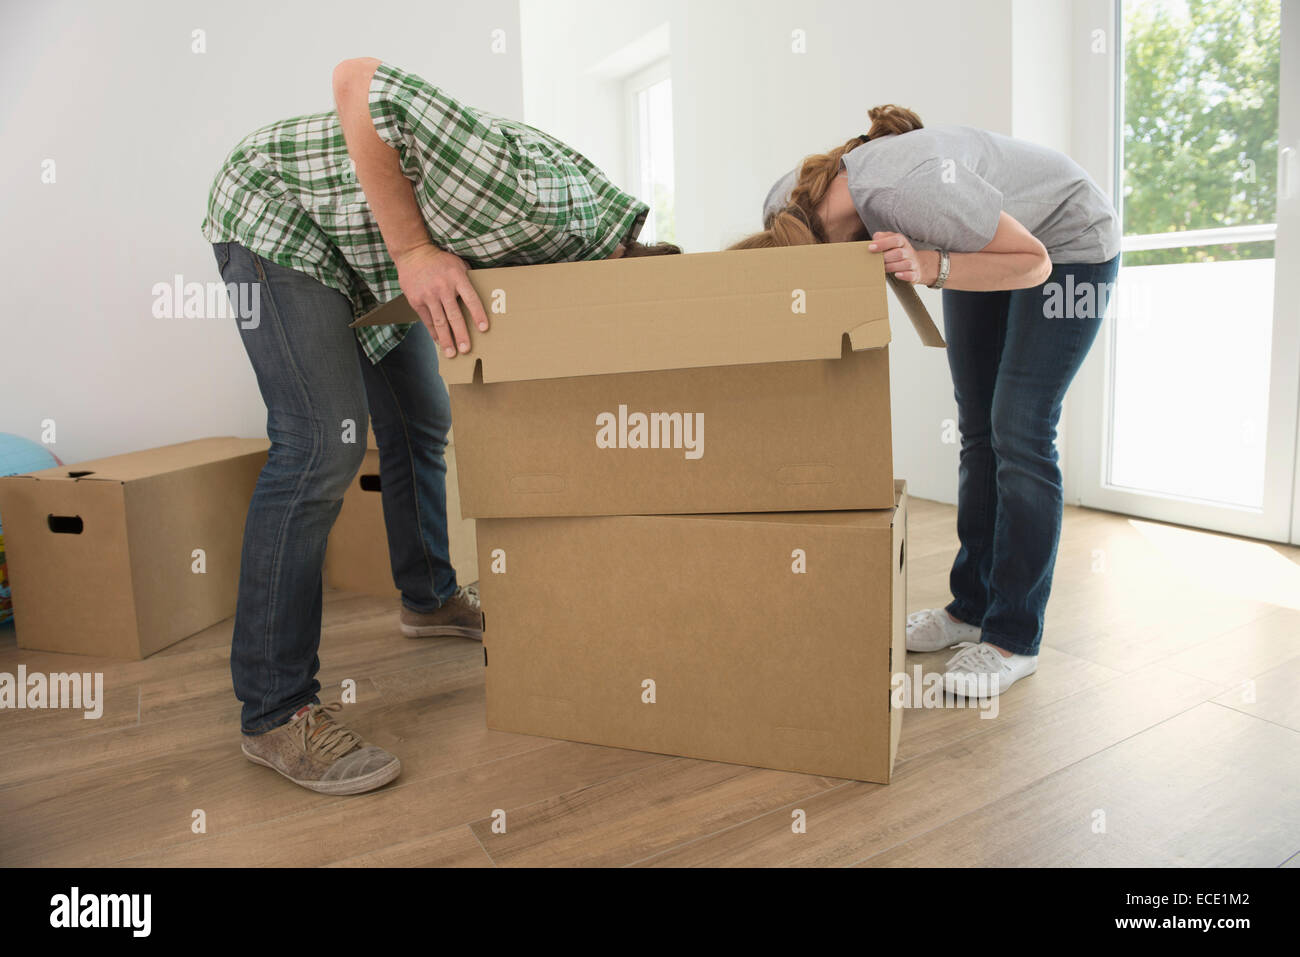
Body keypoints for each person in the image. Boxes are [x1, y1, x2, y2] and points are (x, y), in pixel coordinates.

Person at [201, 58, 680, 795]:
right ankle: (274, 709)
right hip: (277, 216)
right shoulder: (531, 202)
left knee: (421, 416)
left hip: (358, 257)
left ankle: (427, 596)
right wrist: (415, 253)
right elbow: (357, 82)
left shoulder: (572, 246)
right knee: (319, 444)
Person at [737, 105, 1120, 698]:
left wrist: (934, 266)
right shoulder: (784, 201)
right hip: (975, 238)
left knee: (1019, 429)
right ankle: (970, 607)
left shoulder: (910, 195)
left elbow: (1033, 261)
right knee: (977, 428)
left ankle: (1014, 636)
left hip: (1066, 246)